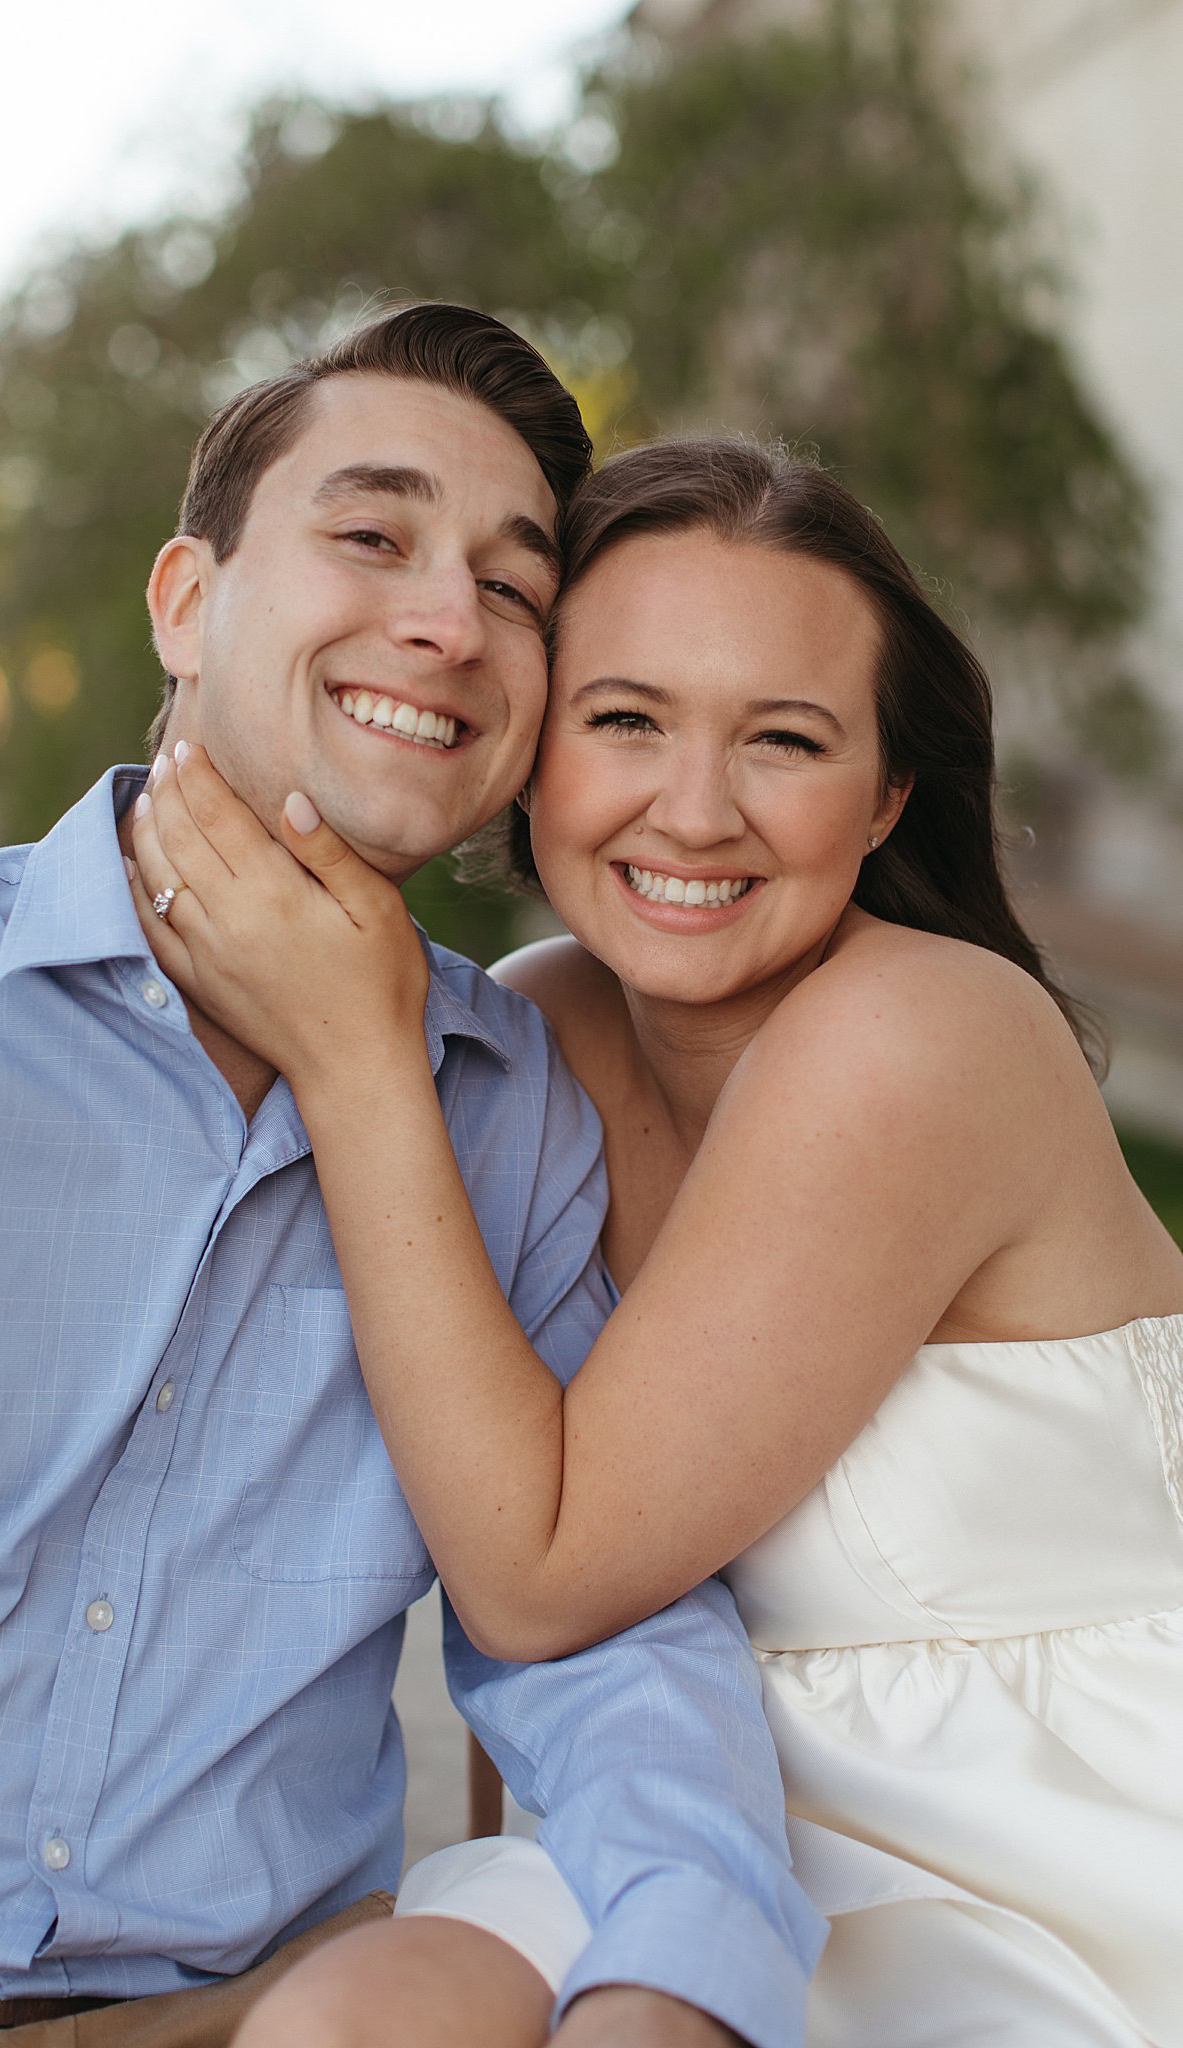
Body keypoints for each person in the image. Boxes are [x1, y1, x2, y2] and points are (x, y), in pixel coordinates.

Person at [0, 314, 825, 2048]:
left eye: (515, 590)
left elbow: (600, 1636)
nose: (446, 621)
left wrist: (680, 1976)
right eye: (371, 537)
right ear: (186, 600)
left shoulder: (512, 1119)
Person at [130, 435, 1183, 2047]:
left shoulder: (919, 1038)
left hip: (1056, 1848)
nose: (693, 814)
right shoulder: (542, 1018)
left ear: (885, 792)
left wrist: (357, 1056)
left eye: (784, 740)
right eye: (623, 721)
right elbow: (514, 1547)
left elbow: (538, 1571)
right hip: (686, 1815)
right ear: (536, 749)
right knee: (353, 2020)